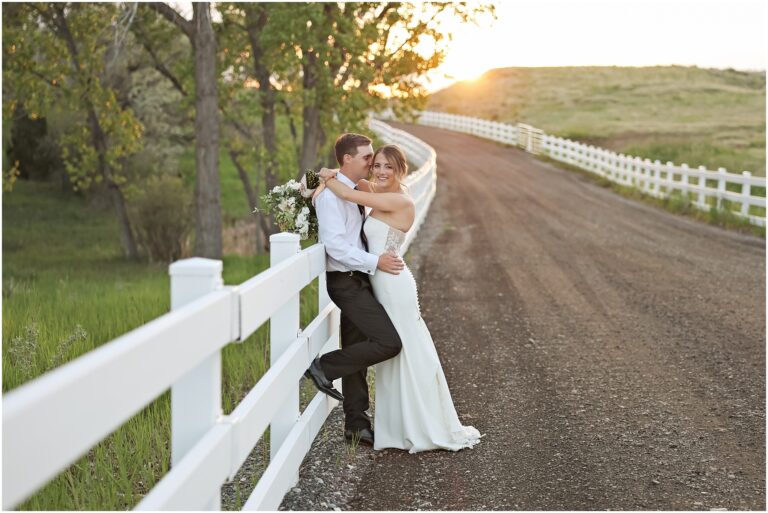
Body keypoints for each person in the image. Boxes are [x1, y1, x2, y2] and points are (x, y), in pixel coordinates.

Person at [317, 144, 483, 453]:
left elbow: (350, 194)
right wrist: (327, 175)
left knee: (404, 347)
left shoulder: (397, 200)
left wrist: (326, 179)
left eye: (387, 167)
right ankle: (396, 425)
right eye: (376, 164)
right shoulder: (378, 190)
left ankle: (422, 422)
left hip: (393, 284)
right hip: (377, 280)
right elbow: (354, 184)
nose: (379, 171)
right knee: (394, 350)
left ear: (400, 171)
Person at [305, 133, 405, 447]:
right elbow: (334, 245)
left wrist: (319, 175)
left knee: (357, 347)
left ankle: (356, 424)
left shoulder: (348, 188)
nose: (371, 162)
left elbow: (309, 182)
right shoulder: (329, 195)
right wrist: (375, 261)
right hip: (346, 281)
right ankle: (325, 366)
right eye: (366, 157)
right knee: (389, 342)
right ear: (347, 158)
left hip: (359, 277)